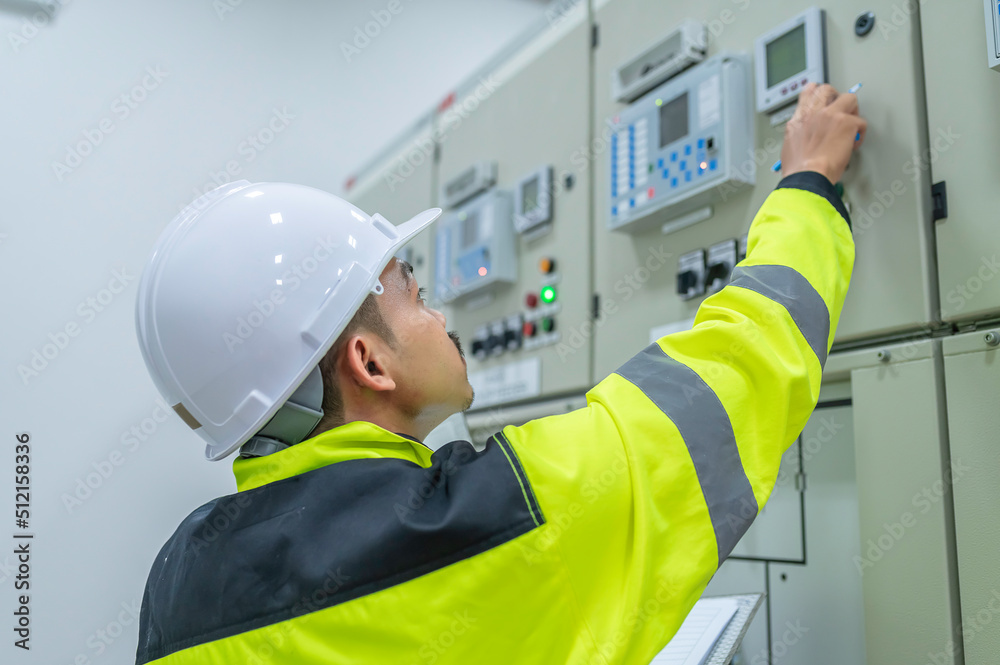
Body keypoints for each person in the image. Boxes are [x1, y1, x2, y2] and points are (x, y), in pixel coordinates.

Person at [132, 82, 865, 664]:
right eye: (415, 293)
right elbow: (739, 369)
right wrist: (806, 185)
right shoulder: (494, 517)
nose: (442, 314)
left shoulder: (175, 586)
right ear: (369, 361)